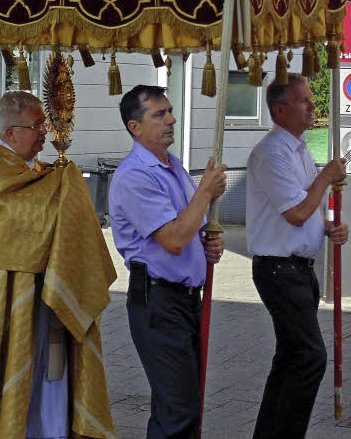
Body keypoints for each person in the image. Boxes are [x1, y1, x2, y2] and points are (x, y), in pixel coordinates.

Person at [0, 91, 117, 438]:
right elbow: (22, 214)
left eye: (44, 124)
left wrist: (63, 187)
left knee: (50, 367)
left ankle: (52, 429)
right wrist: (64, 185)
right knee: (6, 363)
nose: (45, 132)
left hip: (52, 285)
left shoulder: (44, 171)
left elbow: (60, 215)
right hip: (4, 291)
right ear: (11, 132)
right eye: (37, 125)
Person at [108, 85, 227, 438]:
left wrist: (210, 241)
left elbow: (192, 229)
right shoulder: (135, 175)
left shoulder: (173, 166)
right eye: (159, 114)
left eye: (170, 111)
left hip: (185, 300)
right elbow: (174, 239)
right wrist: (206, 191)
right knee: (180, 409)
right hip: (159, 302)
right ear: (135, 127)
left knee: (176, 407)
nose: (171, 119)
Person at [246, 75, 349, 439]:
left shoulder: (298, 148)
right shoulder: (271, 153)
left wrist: (329, 227)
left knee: (291, 357)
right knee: (310, 357)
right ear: (280, 110)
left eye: (310, 99)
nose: (311, 106)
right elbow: (295, 213)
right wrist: (324, 178)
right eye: (303, 101)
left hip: (299, 269)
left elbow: (308, 209)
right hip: (279, 269)